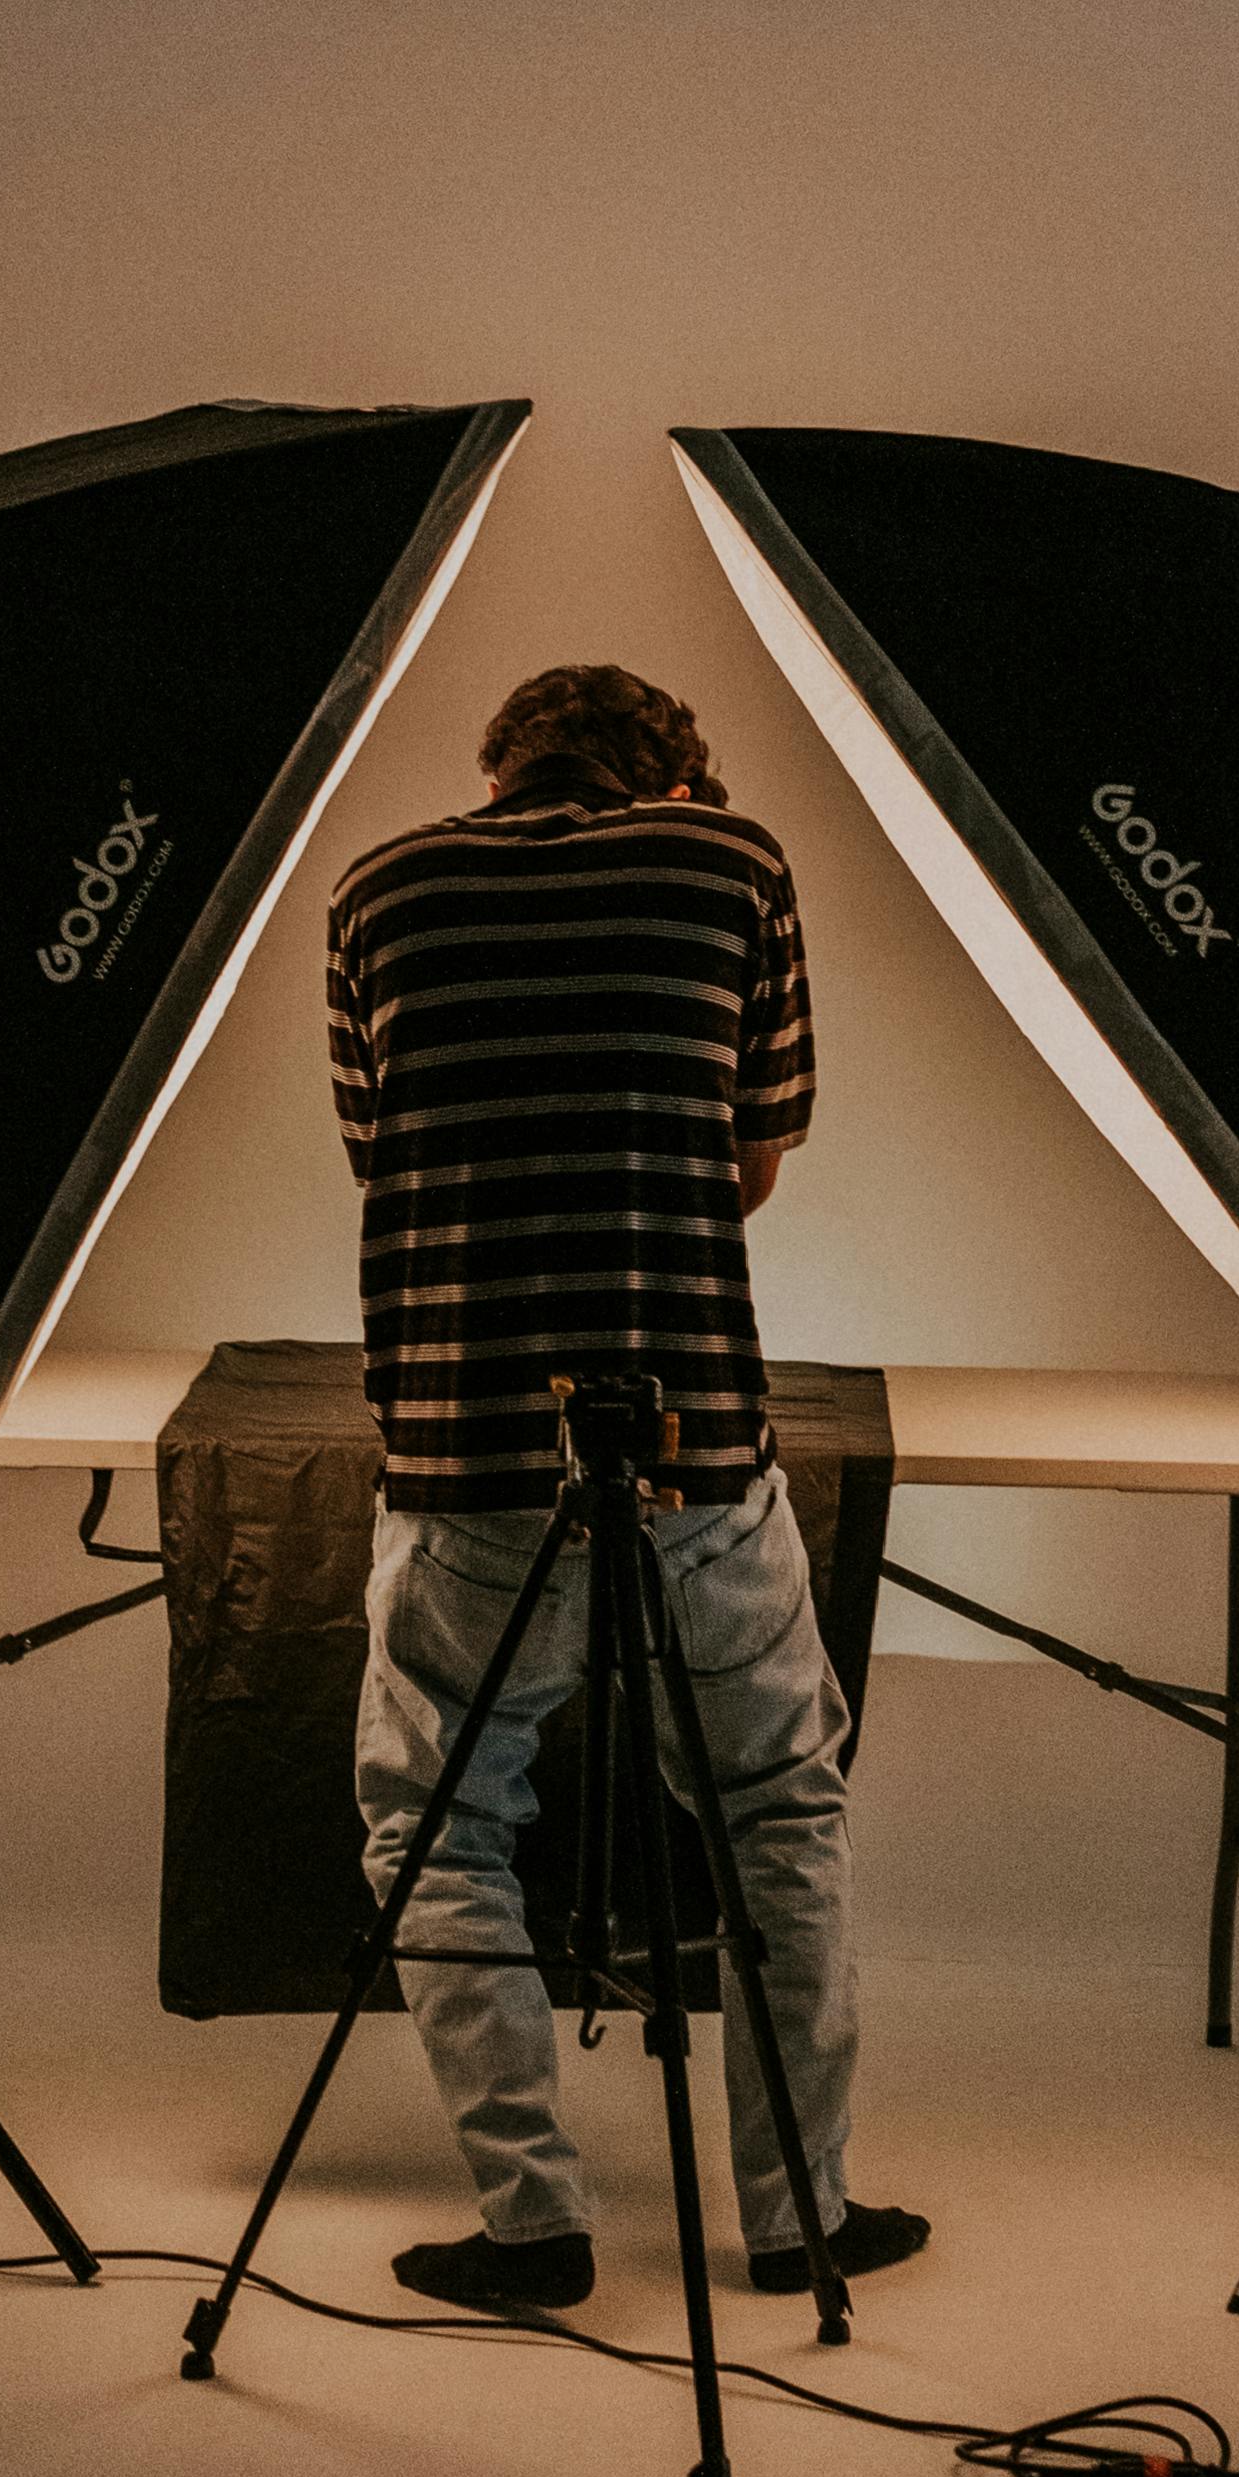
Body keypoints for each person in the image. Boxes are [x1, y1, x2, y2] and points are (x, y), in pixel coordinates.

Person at [323, 658, 928, 2317]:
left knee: (439, 1829)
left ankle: (532, 2226)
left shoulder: (376, 890)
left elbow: (386, 1158)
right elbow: (748, 1159)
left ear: (499, 766)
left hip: (459, 1453)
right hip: (688, 1447)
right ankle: (798, 2219)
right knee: (773, 1821)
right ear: (673, 773)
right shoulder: (724, 865)